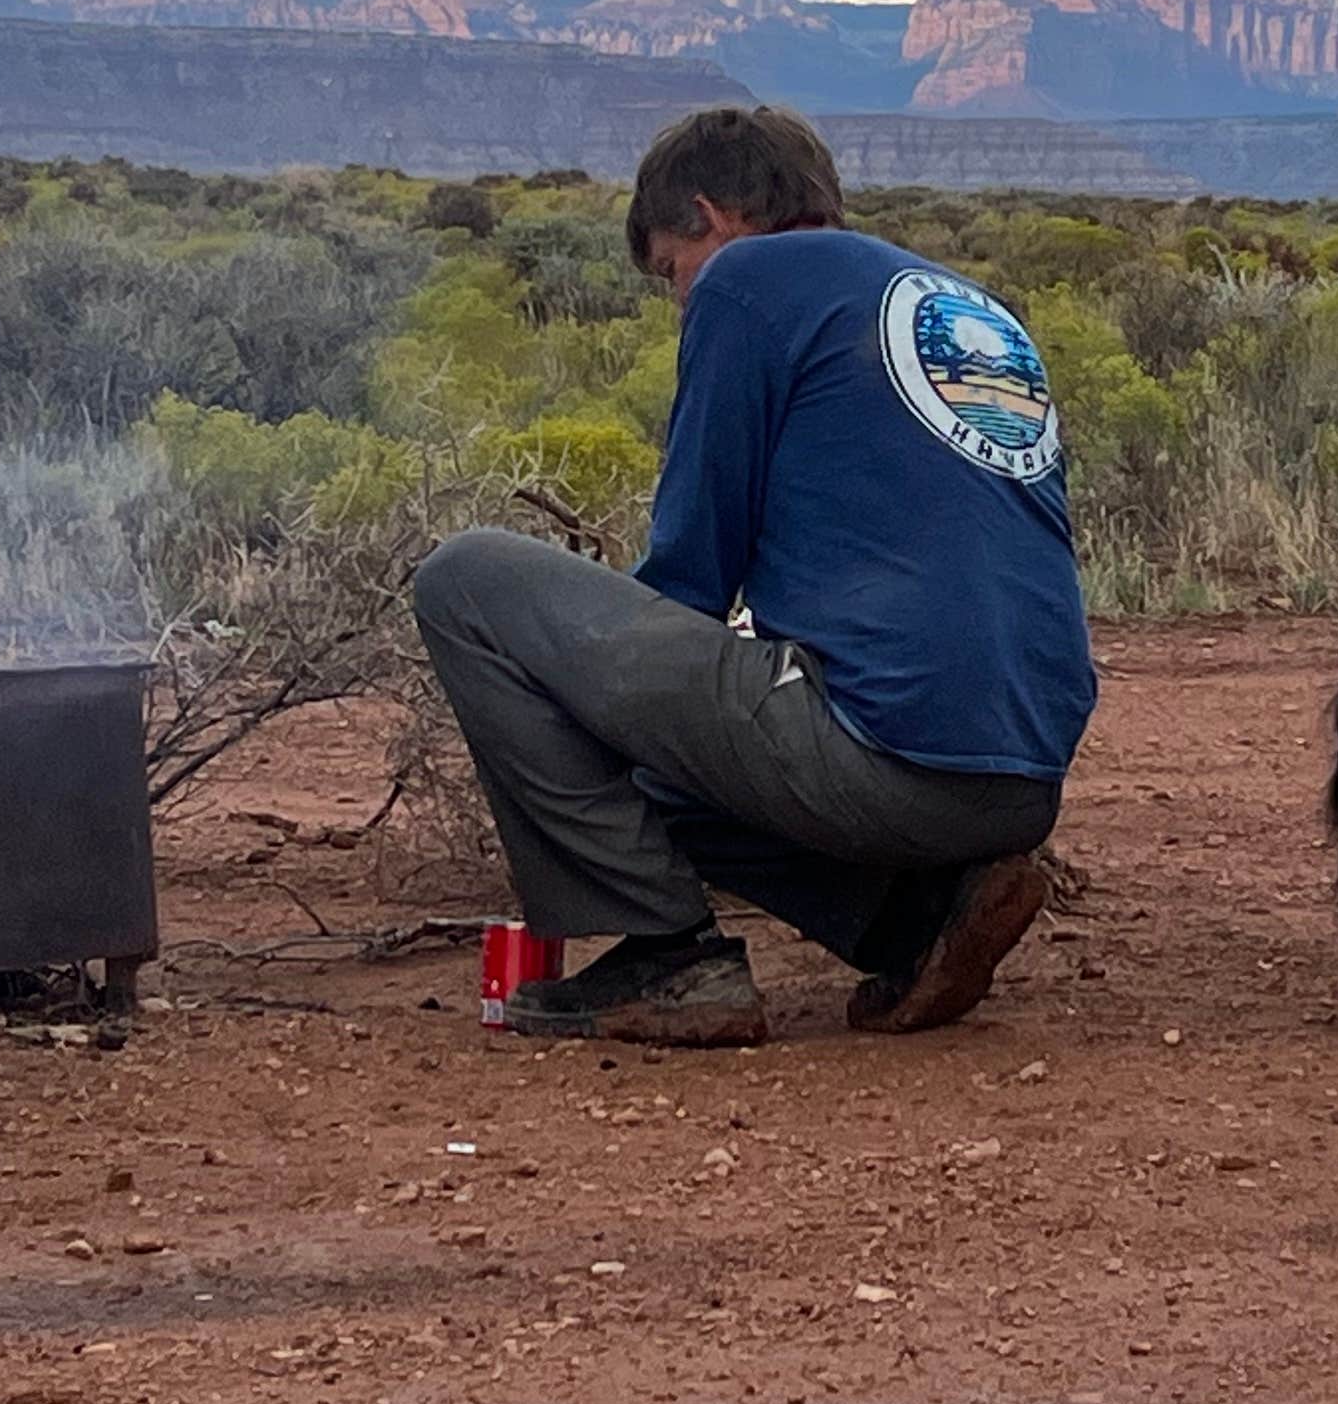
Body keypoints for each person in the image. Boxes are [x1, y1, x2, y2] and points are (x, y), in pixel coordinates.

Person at [409, 106, 1094, 1046]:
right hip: (1021, 777)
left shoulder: (747, 281)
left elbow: (690, 574)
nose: (681, 300)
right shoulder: (965, 304)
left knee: (467, 580)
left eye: (668, 271)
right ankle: (920, 920)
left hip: (886, 757)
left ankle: (672, 956)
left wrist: (574, 701)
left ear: (712, 218)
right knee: (676, 749)